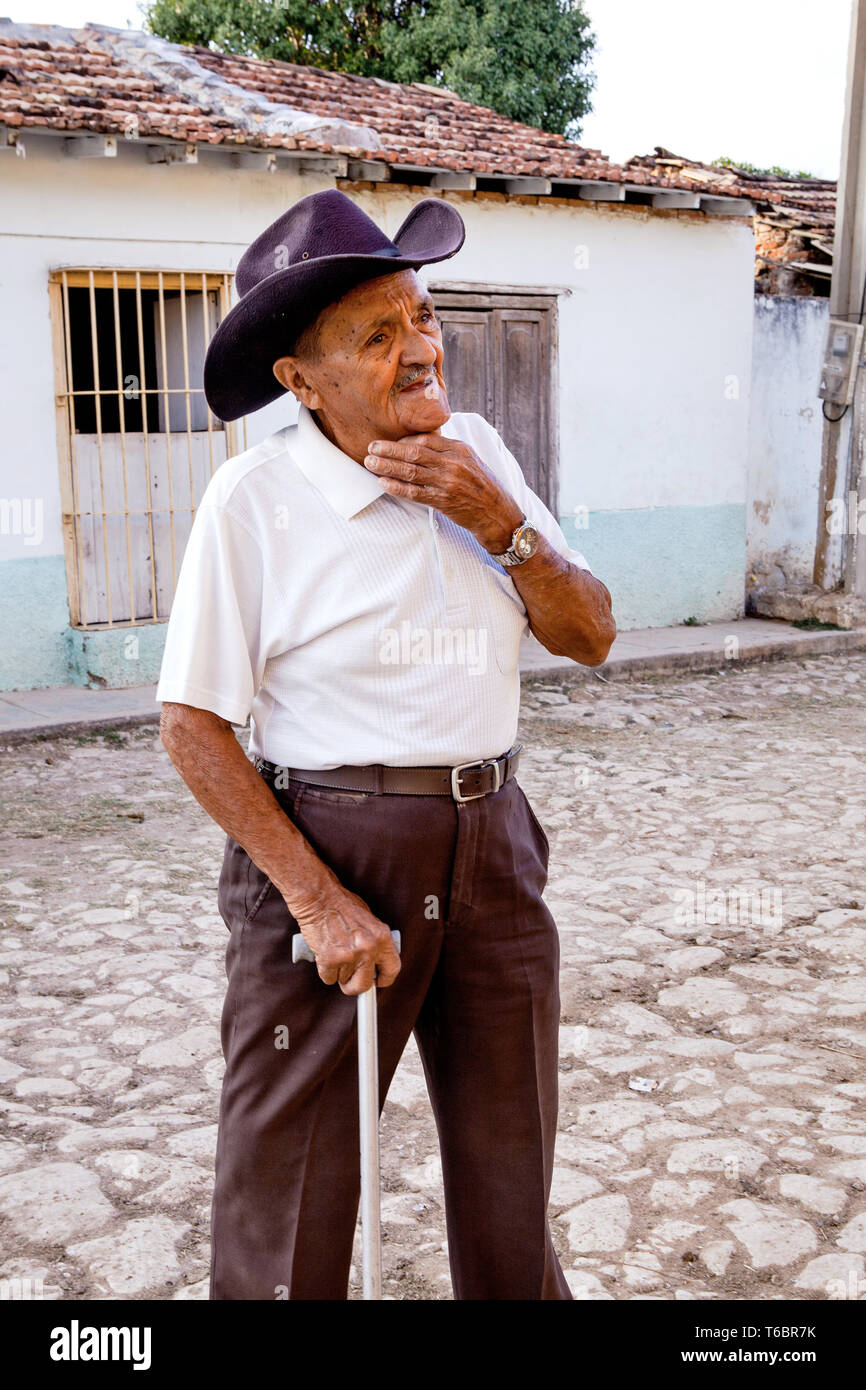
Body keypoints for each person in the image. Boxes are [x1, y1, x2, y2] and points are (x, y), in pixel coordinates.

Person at [156, 189, 616, 1300]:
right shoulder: (252, 500)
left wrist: (497, 522)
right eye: (377, 335)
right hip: (333, 848)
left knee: (512, 1163)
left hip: (494, 844)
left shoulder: (479, 450)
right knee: (292, 1191)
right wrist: (315, 901)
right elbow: (192, 724)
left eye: (422, 315)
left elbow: (590, 633)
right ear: (299, 380)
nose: (421, 350)